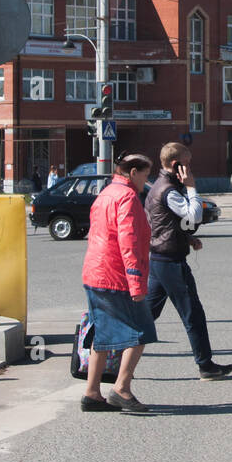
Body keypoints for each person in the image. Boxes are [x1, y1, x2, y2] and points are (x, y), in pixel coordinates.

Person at [144, 142, 232, 380]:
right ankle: (206, 365)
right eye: (188, 163)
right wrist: (192, 187)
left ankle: (114, 358)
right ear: (177, 165)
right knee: (193, 314)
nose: (190, 168)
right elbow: (194, 214)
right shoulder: (169, 190)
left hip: (160, 258)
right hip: (170, 262)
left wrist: (186, 237)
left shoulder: (159, 186)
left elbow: (162, 224)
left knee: (146, 314)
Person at [81, 153, 155, 413]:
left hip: (94, 272)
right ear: (133, 172)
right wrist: (136, 284)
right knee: (142, 331)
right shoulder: (127, 197)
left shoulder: (106, 193)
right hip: (115, 276)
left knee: (102, 335)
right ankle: (121, 389)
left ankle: (92, 393)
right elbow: (129, 243)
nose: (146, 182)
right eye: (145, 175)